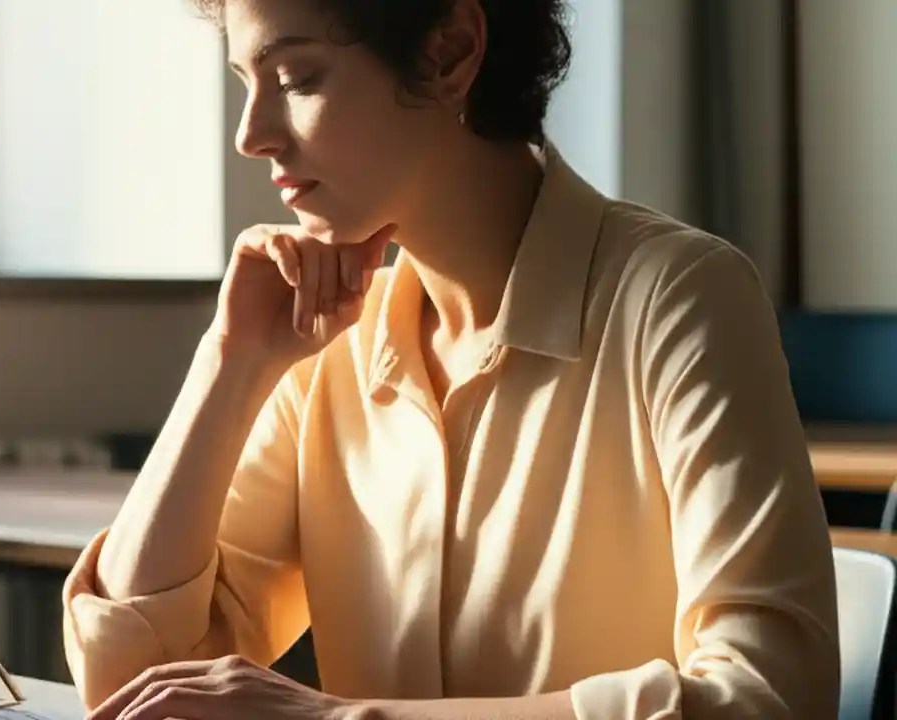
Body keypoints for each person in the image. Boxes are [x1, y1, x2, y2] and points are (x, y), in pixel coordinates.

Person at [62, 0, 840, 717]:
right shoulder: (327, 351)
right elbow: (131, 678)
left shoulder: (679, 297)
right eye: (246, 82)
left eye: (296, 78)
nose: (250, 133)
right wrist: (230, 362)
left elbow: (767, 695)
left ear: (450, 52)